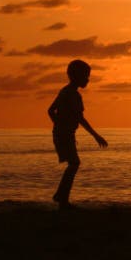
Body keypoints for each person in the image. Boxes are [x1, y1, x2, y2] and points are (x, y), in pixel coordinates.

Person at [48, 59, 107, 209]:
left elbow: (50, 111)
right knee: (74, 163)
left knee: (73, 163)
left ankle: (61, 197)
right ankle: (61, 198)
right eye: (86, 76)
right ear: (76, 76)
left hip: (63, 133)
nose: (88, 79)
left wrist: (60, 126)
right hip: (63, 134)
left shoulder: (64, 91)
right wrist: (96, 135)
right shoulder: (73, 95)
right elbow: (80, 119)